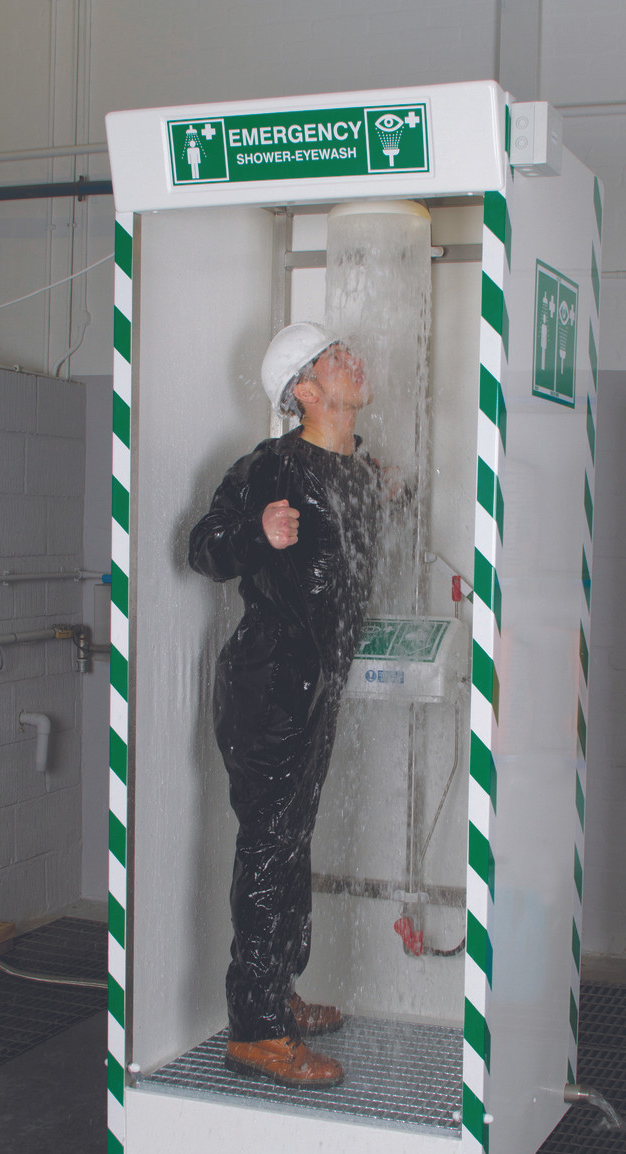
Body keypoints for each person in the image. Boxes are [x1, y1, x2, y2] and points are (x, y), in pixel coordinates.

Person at [188, 322, 382, 1088]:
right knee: (270, 845)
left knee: (290, 841)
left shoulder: (359, 471)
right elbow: (203, 548)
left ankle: (278, 992)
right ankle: (256, 1033)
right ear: (303, 391)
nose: (352, 362)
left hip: (315, 685)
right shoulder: (270, 466)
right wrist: (255, 533)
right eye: (334, 358)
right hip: (268, 686)